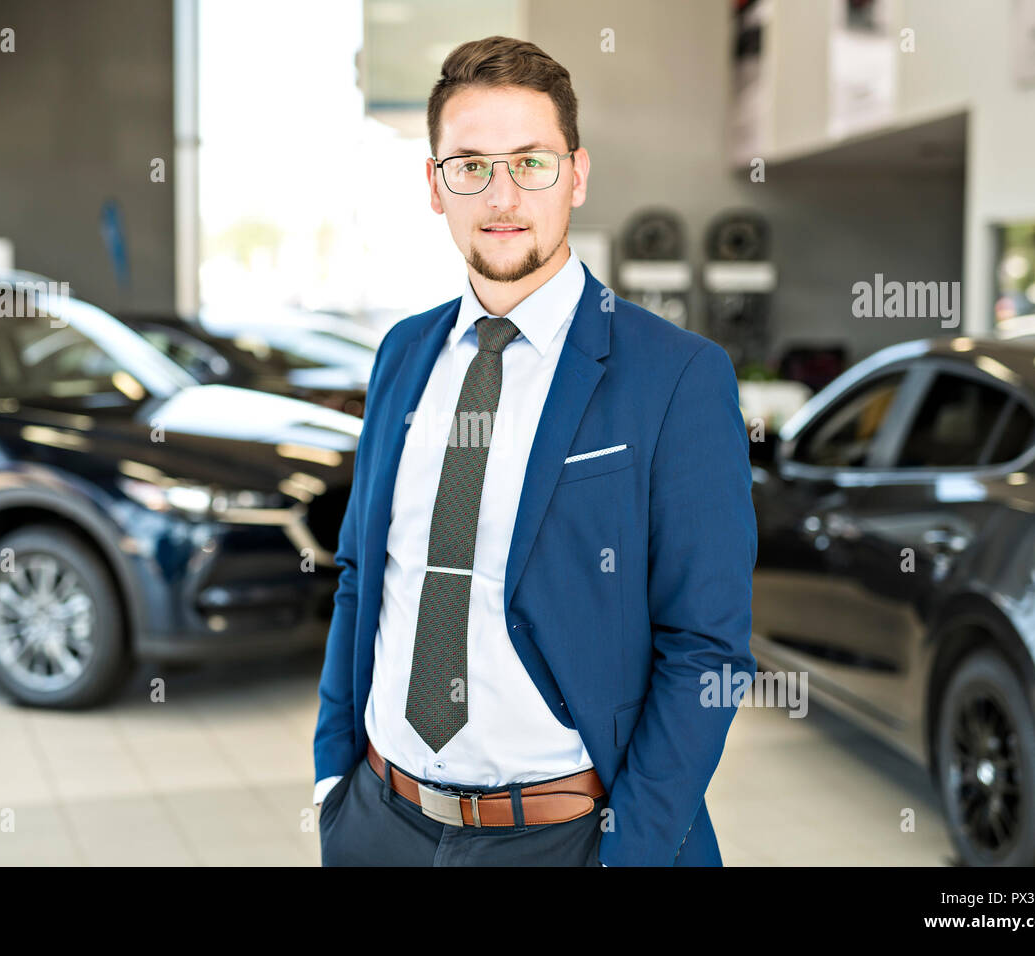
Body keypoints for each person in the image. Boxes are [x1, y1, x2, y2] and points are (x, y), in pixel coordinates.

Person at [313, 35, 757, 866]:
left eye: (531, 162)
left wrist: (633, 850)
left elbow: (709, 649)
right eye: (470, 165)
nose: (502, 193)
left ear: (577, 174)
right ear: (435, 187)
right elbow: (359, 576)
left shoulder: (676, 376)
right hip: (380, 820)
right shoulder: (401, 355)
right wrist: (331, 780)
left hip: (567, 837)